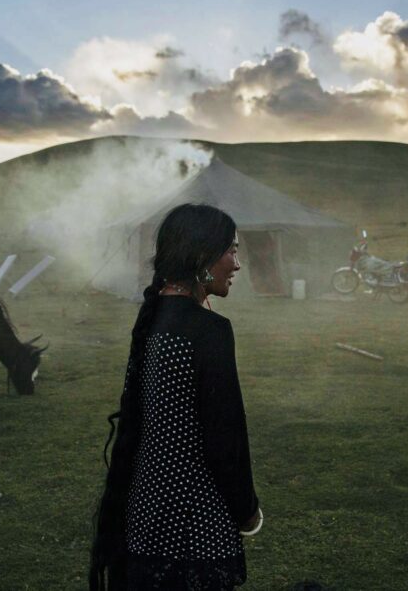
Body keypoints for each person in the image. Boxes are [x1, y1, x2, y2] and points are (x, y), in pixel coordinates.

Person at [89, 203, 262, 590]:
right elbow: (225, 438)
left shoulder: (154, 317)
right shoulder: (208, 331)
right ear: (202, 255)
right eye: (232, 250)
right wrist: (247, 510)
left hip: (146, 517)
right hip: (196, 525)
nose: (237, 264)